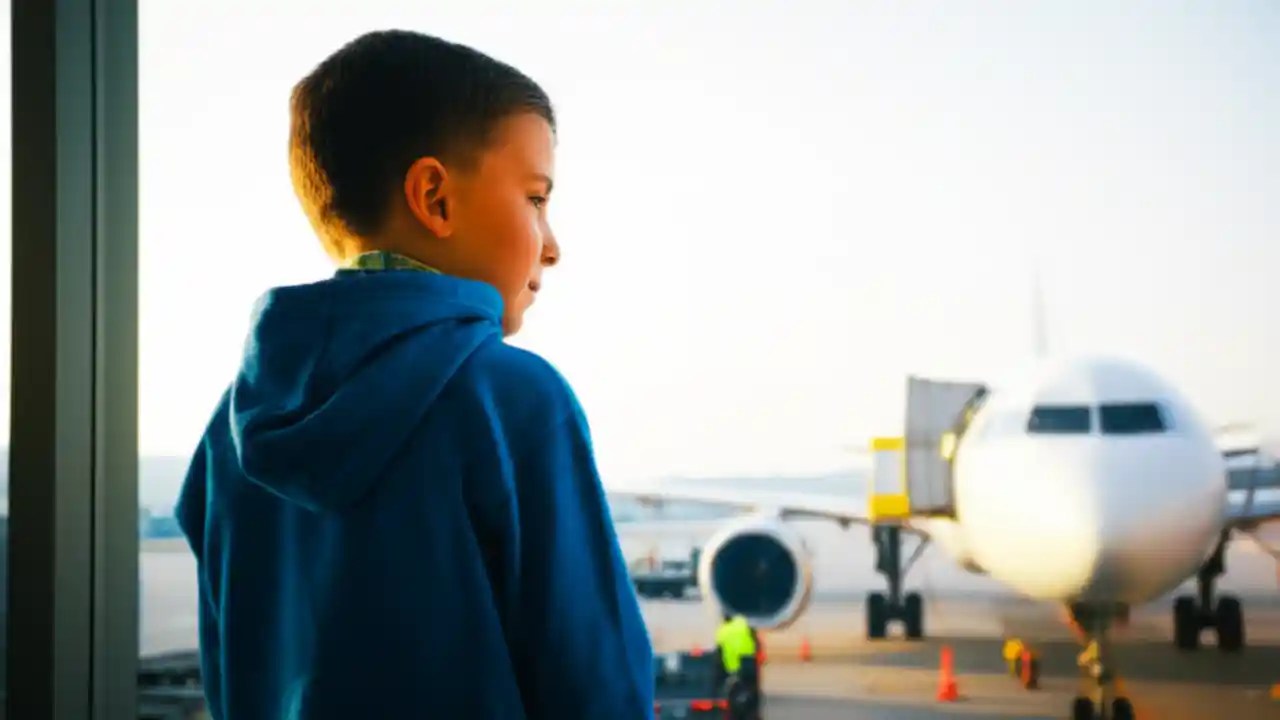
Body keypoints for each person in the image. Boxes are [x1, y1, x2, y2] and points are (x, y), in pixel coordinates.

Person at [175, 29, 653, 719]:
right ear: (435, 197)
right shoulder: (511, 401)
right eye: (536, 198)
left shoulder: (230, 432)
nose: (553, 246)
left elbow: (231, 678)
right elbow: (596, 687)